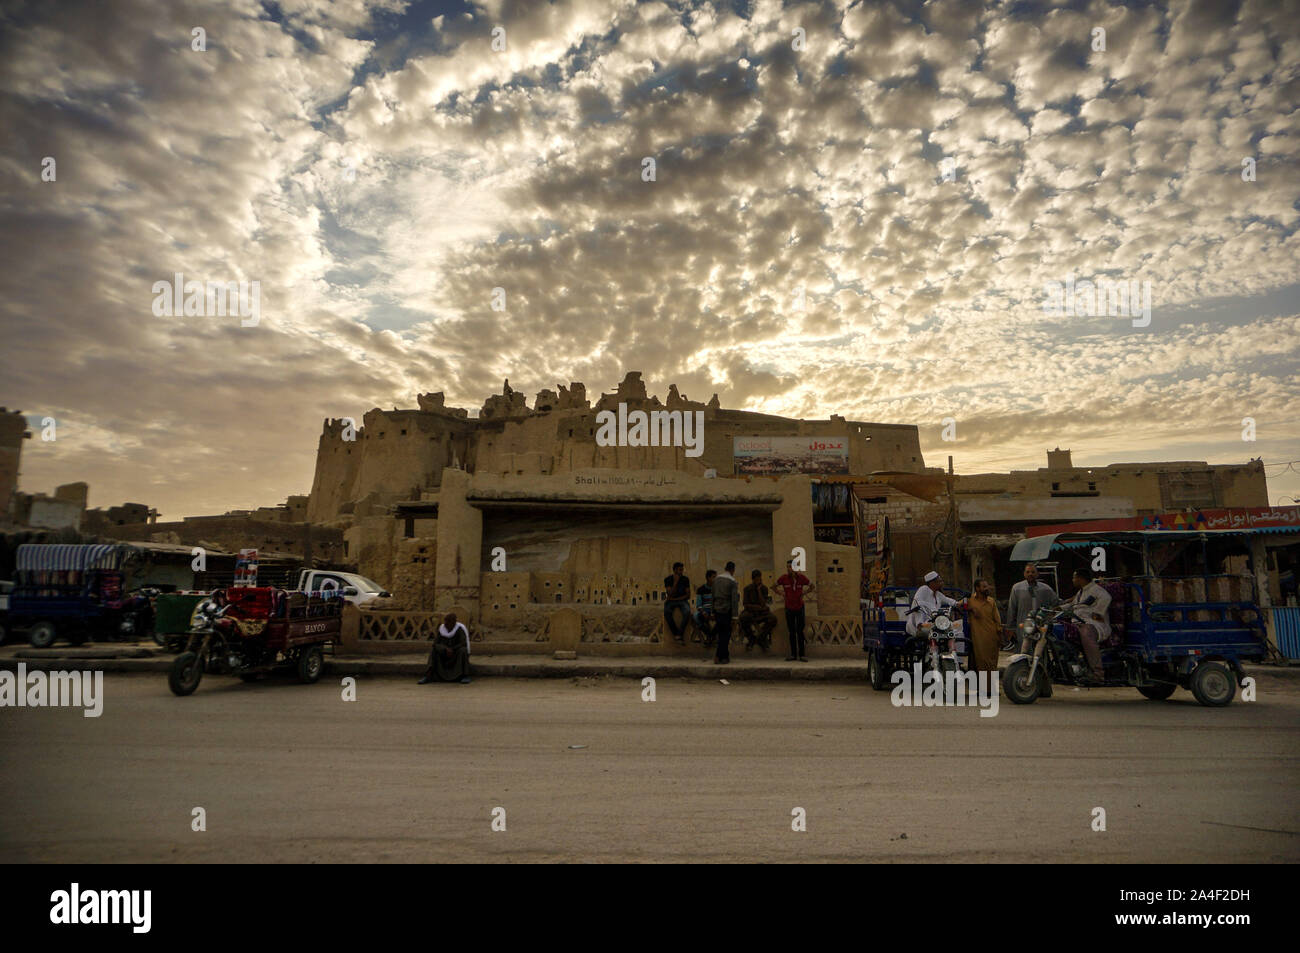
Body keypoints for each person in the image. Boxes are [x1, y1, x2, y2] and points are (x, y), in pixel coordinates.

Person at [1060, 567, 1110, 682]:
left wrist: (1097, 613)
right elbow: (1073, 605)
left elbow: (1107, 598)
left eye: (1074, 577)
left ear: (1081, 578)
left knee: (1086, 632)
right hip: (1078, 623)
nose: (1073, 580)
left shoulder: (1097, 590)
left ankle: (1098, 673)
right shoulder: (1081, 592)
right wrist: (1057, 608)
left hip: (1095, 626)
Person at [1006, 562, 1060, 652]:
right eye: (1028, 572)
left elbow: (1056, 604)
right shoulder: (1017, 588)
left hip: (1041, 627)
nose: (1030, 574)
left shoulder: (1046, 589)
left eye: (1033, 572)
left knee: (1040, 653)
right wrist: (1010, 628)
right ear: (1024, 574)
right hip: (1023, 626)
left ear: (1037, 574)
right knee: (1023, 653)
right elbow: (1012, 609)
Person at [776, 559, 814, 661]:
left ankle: (802, 655)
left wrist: (804, 593)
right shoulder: (783, 578)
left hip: (799, 607)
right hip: (789, 608)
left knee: (800, 631)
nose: (789, 569)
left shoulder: (801, 578)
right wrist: (781, 593)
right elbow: (774, 586)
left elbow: (812, 586)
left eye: (790, 567)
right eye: (787, 567)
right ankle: (793, 655)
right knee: (791, 631)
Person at [906, 570, 961, 640]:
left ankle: (955, 650)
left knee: (957, 632)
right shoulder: (923, 589)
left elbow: (951, 602)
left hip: (937, 623)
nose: (942, 583)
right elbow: (918, 603)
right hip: (922, 624)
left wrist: (961, 603)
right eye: (939, 581)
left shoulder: (938, 594)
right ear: (932, 583)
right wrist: (932, 611)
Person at [419, 612, 472, 684]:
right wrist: (445, 649)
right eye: (446, 621)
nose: (447, 623)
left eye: (449, 621)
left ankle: (465, 675)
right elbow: (435, 644)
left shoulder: (459, 629)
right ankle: (428, 675)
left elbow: (463, 643)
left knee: (463, 650)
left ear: (454, 622)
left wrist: (452, 649)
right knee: (433, 651)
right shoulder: (442, 629)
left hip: (455, 653)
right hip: (444, 653)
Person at [966, 577, 1002, 673]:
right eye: (984, 586)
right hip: (979, 639)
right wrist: (972, 609)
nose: (987, 588)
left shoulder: (991, 601)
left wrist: (999, 634)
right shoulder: (971, 601)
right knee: (982, 663)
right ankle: (984, 686)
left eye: (987, 586)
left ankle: (991, 686)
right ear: (977, 588)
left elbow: (997, 620)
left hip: (992, 637)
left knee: (992, 663)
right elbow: (960, 606)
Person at [740, 569, 777, 651]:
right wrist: (757, 607)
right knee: (743, 618)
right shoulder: (747, 589)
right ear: (753, 579)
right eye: (756, 579)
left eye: (759, 579)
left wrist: (759, 590)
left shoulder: (764, 588)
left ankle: (761, 638)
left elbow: (764, 603)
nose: (758, 581)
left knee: (773, 619)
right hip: (751, 612)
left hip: (762, 613)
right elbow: (746, 604)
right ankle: (751, 638)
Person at [710, 561, 740, 664]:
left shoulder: (716, 580)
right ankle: (719, 656)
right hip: (727, 610)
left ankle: (724, 656)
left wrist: (712, 611)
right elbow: (734, 600)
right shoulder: (732, 582)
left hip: (717, 609)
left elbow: (712, 596)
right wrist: (735, 616)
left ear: (725, 568)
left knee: (721, 633)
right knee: (726, 634)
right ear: (733, 570)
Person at [662, 562, 692, 644]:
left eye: (682, 570)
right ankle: (676, 634)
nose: (681, 572)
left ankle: (679, 634)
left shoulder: (685, 579)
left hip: (681, 600)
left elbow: (688, 595)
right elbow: (670, 593)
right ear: (674, 570)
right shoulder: (668, 579)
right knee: (667, 612)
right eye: (680, 570)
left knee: (687, 612)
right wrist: (675, 582)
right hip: (671, 601)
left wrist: (676, 599)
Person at [694, 570, 718, 645]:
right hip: (705, 610)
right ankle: (709, 634)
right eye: (713, 577)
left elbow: (719, 603)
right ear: (708, 578)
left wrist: (713, 613)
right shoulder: (701, 589)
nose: (715, 579)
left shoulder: (717, 589)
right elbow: (699, 605)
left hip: (715, 610)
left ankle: (711, 635)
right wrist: (703, 612)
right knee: (695, 616)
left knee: (724, 617)